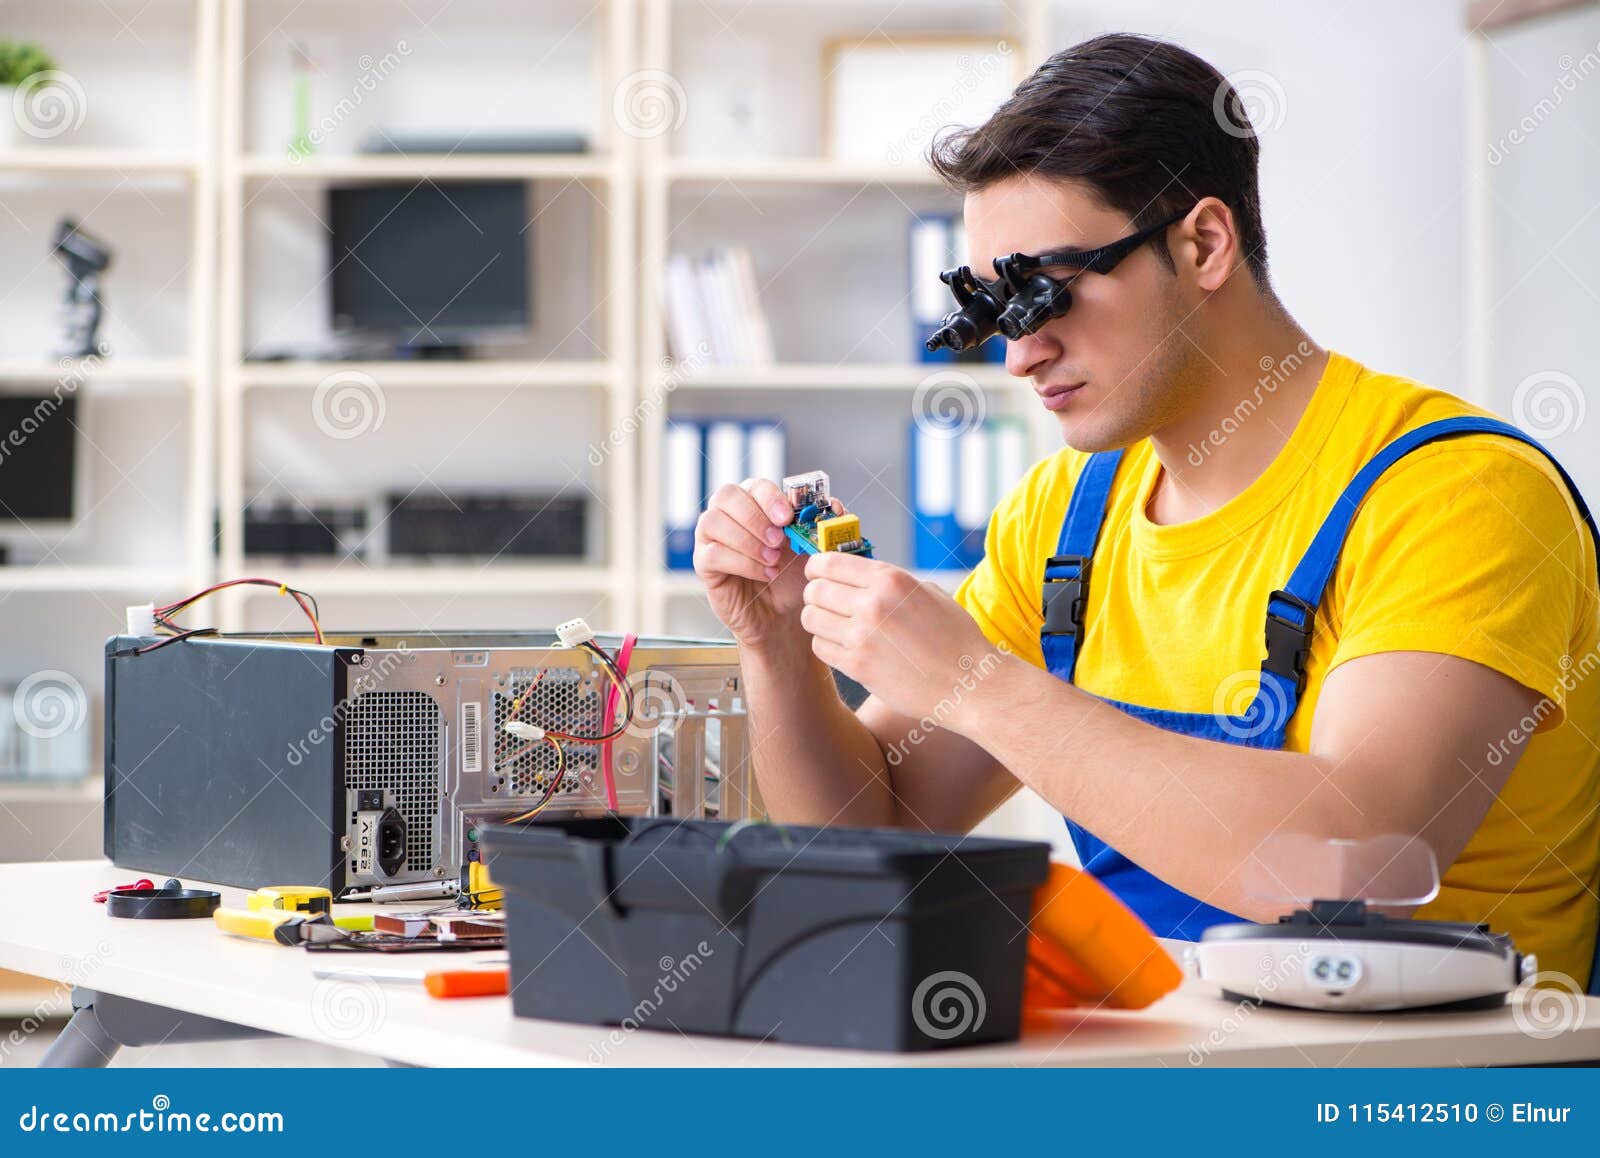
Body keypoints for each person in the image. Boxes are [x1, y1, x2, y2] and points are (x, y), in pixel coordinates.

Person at [691, 33, 1600, 988]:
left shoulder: (1457, 494)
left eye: (1048, 292)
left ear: (1202, 244)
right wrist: (779, 647)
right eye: (995, 309)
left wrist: (979, 685)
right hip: (1174, 1057)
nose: (1020, 354)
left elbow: (1359, 857)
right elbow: (872, 833)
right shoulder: (1063, 521)